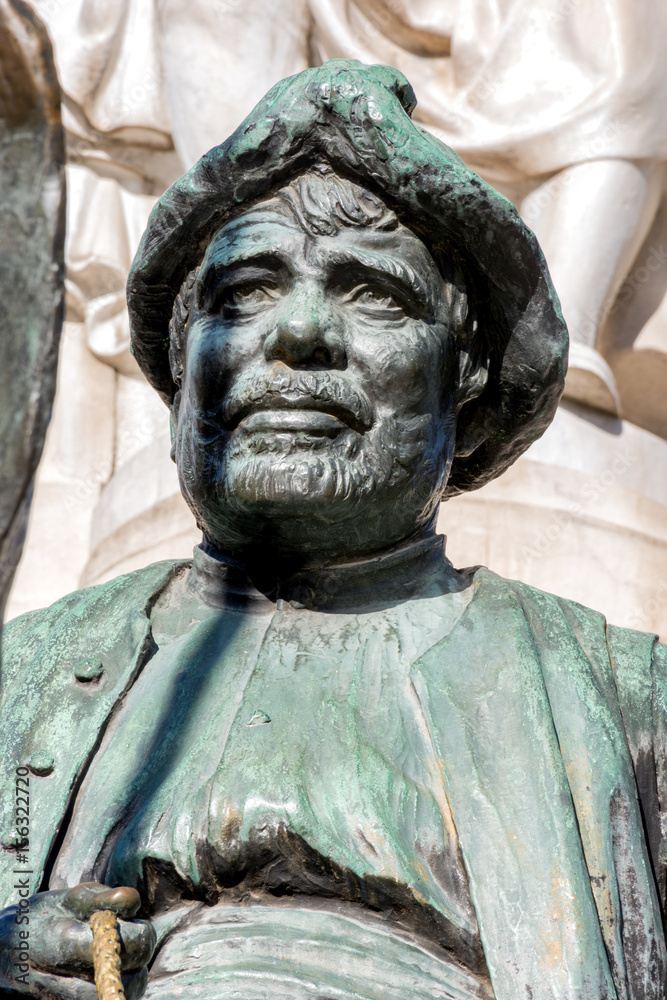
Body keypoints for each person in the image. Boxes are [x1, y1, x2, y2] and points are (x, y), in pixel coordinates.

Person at [1, 61, 665, 1000]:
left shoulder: (625, 700)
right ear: (182, 375)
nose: (299, 332)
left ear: (464, 388)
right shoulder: (22, 678)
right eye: (243, 293)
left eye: (375, 294)